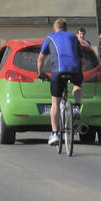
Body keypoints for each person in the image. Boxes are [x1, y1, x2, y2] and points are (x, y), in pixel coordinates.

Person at [37, 18, 83, 147]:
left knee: (55, 102)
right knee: (77, 85)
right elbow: (81, 59)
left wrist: (39, 73)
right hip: (74, 70)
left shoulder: (50, 37)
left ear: (55, 29)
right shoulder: (74, 37)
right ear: (66, 28)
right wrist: (80, 72)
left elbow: (41, 57)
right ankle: (76, 108)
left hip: (57, 72)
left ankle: (54, 134)